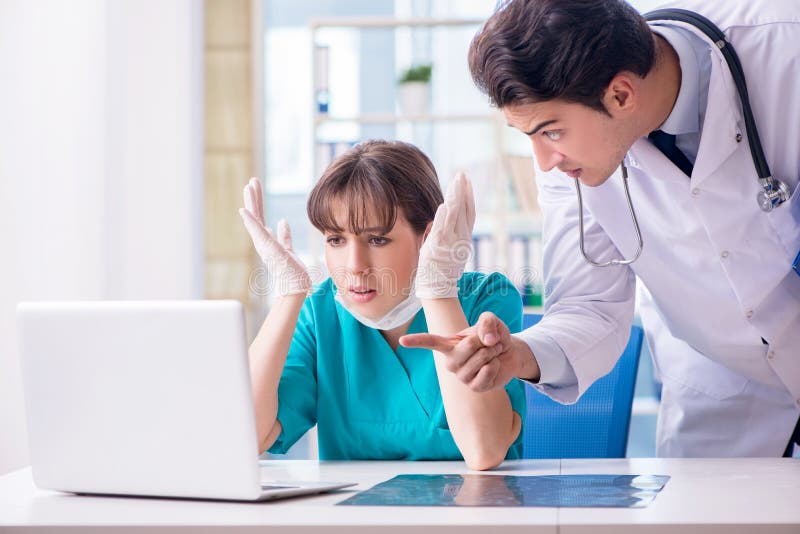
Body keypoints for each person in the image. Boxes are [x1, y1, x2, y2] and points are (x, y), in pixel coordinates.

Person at [401, 0, 800, 457]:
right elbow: (589, 307)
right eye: (528, 135)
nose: (542, 162)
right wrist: (519, 355)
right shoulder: (568, 164)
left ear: (622, 96)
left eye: (550, 131)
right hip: (725, 391)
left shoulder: (786, 51)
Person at [238, 140, 525, 470]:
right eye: (336, 240)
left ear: (428, 236)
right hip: (356, 505)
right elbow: (248, 437)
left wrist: (438, 291)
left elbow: (484, 450)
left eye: (377, 240)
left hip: (471, 503)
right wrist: (288, 297)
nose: (354, 266)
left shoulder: (486, 300)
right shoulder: (319, 314)